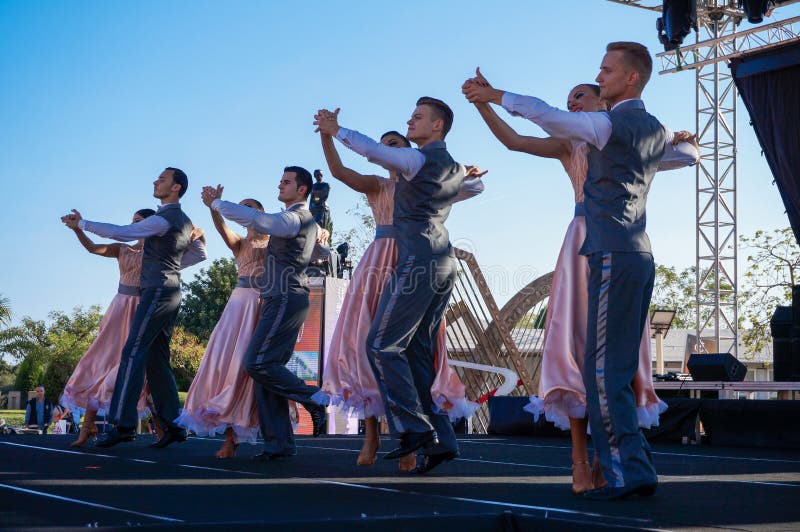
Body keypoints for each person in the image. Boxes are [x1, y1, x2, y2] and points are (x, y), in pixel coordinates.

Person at [463, 42, 700, 500]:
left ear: (630, 78)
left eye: (606, 70)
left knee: (604, 371)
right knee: (610, 366)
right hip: (634, 253)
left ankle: (625, 471)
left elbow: (544, 114)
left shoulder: (608, 125)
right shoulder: (653, 127)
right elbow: (682, 154)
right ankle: (629, 467)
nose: (600, 74)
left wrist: (494, 96)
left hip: (609, 250)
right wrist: (688, 144)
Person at [313, 128, 483, 471]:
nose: (387, 148)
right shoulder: (379, 185)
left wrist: (466, 174)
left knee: (391, 346)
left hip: (414, 261)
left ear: (408, 154)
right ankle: (388, 434)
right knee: (382, 344)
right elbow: (340, 172)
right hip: (385, 261)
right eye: (385, 145)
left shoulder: (424, 179)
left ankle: (414, 433)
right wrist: (327, 137)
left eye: (395, 145)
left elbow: (473, 188)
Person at [63, 167, 207, 448]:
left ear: (176, 187)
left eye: (162, 178)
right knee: (155, 358)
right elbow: (199, 252)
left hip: (156, 292)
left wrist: (82, 224)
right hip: (170, 291)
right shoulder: (182, 220)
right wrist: (170, 267)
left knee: (132, 352)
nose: (156, 181)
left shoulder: (164, 219)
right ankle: (174, 425)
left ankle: (123, 424)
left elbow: (122, 232)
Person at [201, 166, 328, 461]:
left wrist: (217, 203)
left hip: (284, 297)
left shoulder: (294, 217)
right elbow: (314, 252)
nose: (279, 186)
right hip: (280, 298)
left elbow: (258, 219)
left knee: (256, 362)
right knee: (266, 370)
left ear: (302, 190)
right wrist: (323, 250)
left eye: (286, 182)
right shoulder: (301, 221)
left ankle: (314, 399)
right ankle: (279, 445)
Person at [176, 197, 269, 458]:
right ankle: (230, 438)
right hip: (239, 306)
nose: (244, 210)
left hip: (264, 305)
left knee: (253, 370)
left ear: (261, 212)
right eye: (241, 207)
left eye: (250, 207)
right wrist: (212, 207)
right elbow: (221, 228)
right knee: (229, 365)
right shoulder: (240, 242)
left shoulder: (276, 239)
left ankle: (262, 434)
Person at [59, 208, 161, 447]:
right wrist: (77, 230)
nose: (134, 224)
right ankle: (87, 427)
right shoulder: (121, 247)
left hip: (143, 309)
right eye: (132, 220)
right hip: (119, 311)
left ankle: (160, 431)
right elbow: (93, 248)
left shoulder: (157, 252)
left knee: (144, 368)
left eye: (139, 221)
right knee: (101, 363)